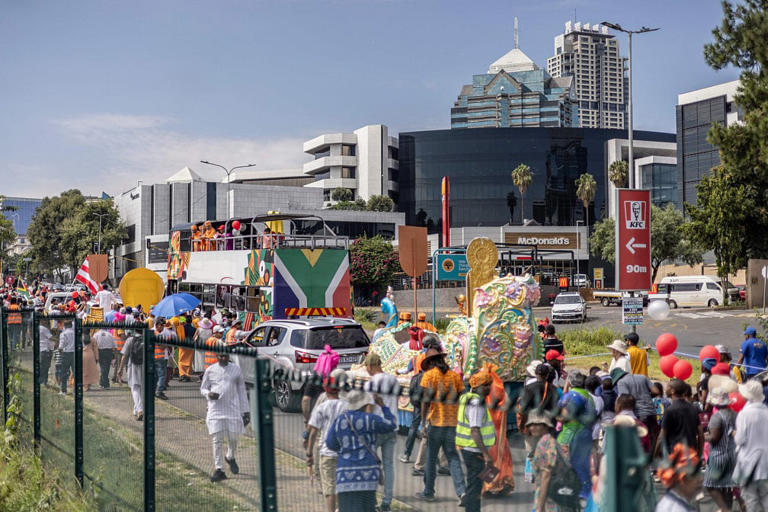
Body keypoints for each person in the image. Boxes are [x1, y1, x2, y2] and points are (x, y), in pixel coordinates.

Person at [325, 389, 396, 512]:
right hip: (368, 475)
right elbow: (391, 424)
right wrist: (383, 405)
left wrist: (344, 451)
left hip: (345, 476)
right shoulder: (370, 419)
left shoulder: (340, 420)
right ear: (364, 404)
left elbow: (330, 443)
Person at [416, 347, 467, 504]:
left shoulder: (429, 376)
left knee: (431, 459)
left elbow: (425, 402)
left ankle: (429, 492)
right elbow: (461, 397)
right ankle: (462, 492)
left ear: (431, 362)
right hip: (452, 423)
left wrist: (423, 424)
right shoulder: (454, 376)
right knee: (453, 458)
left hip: (436, 423)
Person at [200, 351, 250, 482]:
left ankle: (230, 456)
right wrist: (208, 394)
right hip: (215, 409)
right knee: (217, 439)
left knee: (233, 437)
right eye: (221, 356)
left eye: (225, 356)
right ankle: (219, 469)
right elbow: (203, 388)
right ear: (217, 356)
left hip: (232, 409)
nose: (223, 358)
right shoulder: (210, 370)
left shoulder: (236, 369)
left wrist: (246, 411)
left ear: (229, 356)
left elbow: (242, 391)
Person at [306, 369, 348, 512]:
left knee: (329, 485)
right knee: (341, 482)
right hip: (344, 451)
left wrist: (309, 453)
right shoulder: (346, 406)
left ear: (325, 389)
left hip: (326, 451)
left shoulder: (322, 407)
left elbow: (313, 432)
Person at [363, 353, 399, 512]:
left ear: (370, 366)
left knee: (369, 463)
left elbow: (369, 408)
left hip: (376, 427)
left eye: (367, 367)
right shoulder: (393, 380)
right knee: (389, 464)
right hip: (391, 426)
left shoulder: (371, 384)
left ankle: (372, 500)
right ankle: (387, 501)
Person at [456, 366, 496, 512]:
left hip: (469, 449)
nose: (489, 388)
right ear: (478, 386)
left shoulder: (467, 398)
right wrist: (486, 454)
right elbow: (475, 430)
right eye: (486, 386)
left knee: (473, 485)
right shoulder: (476, 404)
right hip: (474, 451)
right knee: (475, 489)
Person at [529, 411, 578, 512]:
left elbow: (546, 476)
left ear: (546, 426)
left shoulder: (546, 444)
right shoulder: (546, 441)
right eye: (531, 424)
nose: (533, 427)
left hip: (552, 500)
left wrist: (539, 507)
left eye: (537, 424)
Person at [734, 379, 768, 509]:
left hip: (749, 463)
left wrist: (735, 434)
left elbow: (740, 439)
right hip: (765, 464)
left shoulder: (744, 414)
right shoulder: (766, 412)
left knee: (751, 501)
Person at [703, 387, 737, 511]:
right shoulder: (735, 414)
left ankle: (725, 509)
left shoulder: (716, 417)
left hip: (719, 455)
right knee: (727, 485)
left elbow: (715, 438)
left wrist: (703, 437)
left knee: (709, 485)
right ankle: (727, 508)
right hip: (733, 455)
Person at [611, 368, 658, 452]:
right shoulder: (642, 377)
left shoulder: (621, 382)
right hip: (652, 413)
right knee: (652, 441)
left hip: (638, 414)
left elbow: (625, 400)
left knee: (642, 443)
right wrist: (647, 397)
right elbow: (656, 391)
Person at [656, 379, 703, 459]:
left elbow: (661, 437)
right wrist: (699, 454)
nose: (665, 389)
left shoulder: (670, 410)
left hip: (675, 456)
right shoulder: (693, 409)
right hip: (691, 455)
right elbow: (700, 434)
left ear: (672, 391)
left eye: (667, 387)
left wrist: (655, 456)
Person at [655, 444, 703, 512]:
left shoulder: (678, 502)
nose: (701, 479)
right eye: (695, 475)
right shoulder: (675, 508)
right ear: (682, 480)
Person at [117, 330, 144, 420]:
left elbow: (124, 356)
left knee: (134, 387)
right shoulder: (147, 339)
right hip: (144, 366)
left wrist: (120, 369)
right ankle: (136, 409)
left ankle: (140, 409)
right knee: (141, 388)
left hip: (133, 365)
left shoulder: (130, 340)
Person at [58, 321, 75, 395]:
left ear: (65, 326)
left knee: (64, 372)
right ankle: (76, 390)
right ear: (71, 325)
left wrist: (60, 351)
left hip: (66, 353)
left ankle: (63, 390)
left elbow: (61, 346)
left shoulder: (63, 334)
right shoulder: (76, 332)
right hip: (75, 354)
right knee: (75, 372)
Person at [39, 319, 55, 386]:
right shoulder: (44, 329)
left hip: (40, 349)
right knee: (45, 366)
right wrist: (58, 340)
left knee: (41, 366)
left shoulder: (37, 328)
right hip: (45, 350)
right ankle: (44, 381)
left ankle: (41, 381)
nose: (47, 322)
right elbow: (51, 337)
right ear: (42, 321)